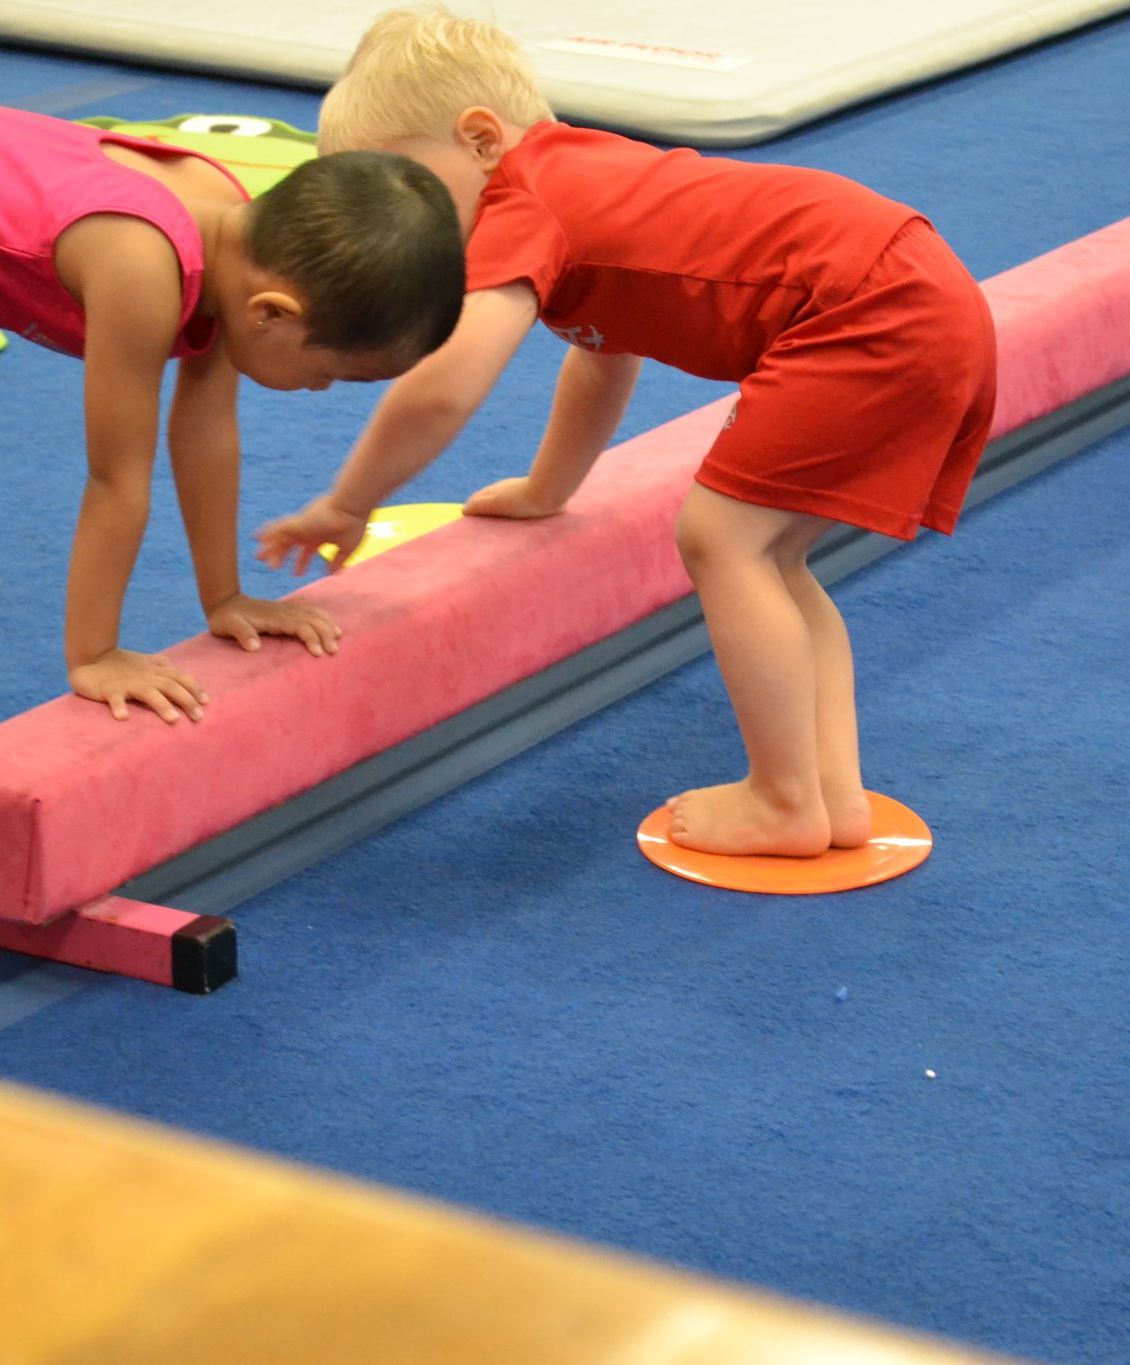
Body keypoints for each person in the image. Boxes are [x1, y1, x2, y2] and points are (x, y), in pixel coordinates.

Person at [256, 9, 997, 859]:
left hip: (869, 307)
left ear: (482, 141)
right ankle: (831, 795)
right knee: (777, 560)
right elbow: (604, 356)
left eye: (410, 193)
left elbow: (445, 386)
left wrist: (348, 502)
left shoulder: (523, 198)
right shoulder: (583, 182)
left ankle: (784, 799)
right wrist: (549, 491)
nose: (408, 237)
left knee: (722, 539)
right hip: (917, 288)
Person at [0, 95, 464, 855]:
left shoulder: (242, 232)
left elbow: (205, 432)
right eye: (331, 374)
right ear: (271, 312)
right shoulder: (142, 264)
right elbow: (115, 477)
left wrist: (224, 596)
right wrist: (94, 653)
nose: (320, 392)